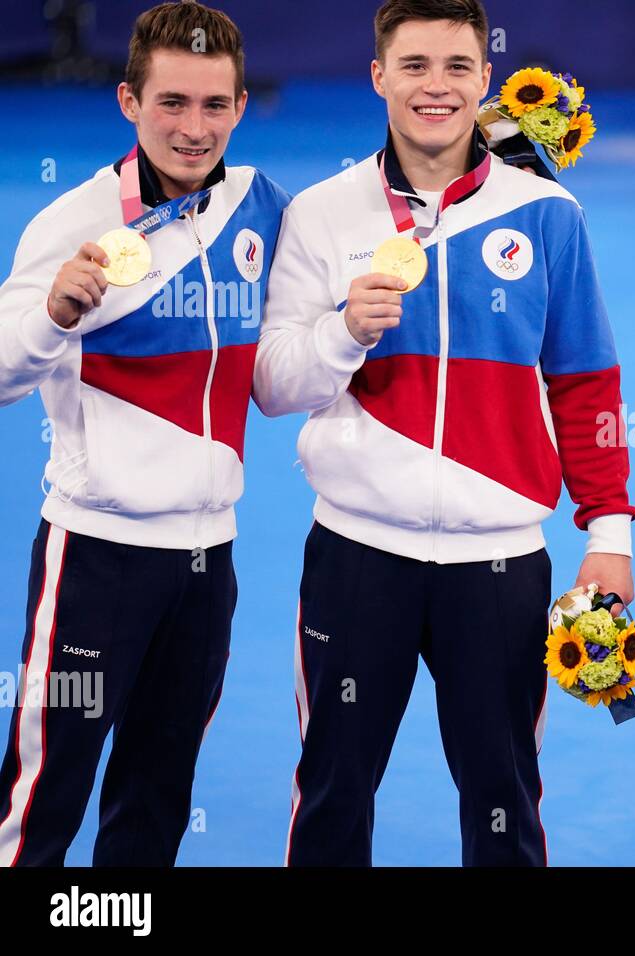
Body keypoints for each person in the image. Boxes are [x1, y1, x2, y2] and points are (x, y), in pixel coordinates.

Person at [255, 0, 635, 866]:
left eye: (458, 67)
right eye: (416, 65)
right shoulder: (322, 213)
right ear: (379, 76)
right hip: (357, 556)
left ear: (485, 81)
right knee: (333, 790)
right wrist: (341, 334)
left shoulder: (548, 215)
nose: (437, 86)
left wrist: (609, 533)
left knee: (505, 794)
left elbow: (587, 383)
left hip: (499, 564)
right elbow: (273, 386)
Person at [0, 0, 289, 866]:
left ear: (240, 107)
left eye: (213, 106)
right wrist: (53, 314)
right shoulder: (75, 220)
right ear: (129, 100)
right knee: (40, 793)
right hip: (97, 555)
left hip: (209, 563)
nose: (193, 129)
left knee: (158, 797)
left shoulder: (262, 207)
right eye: (171, 103)